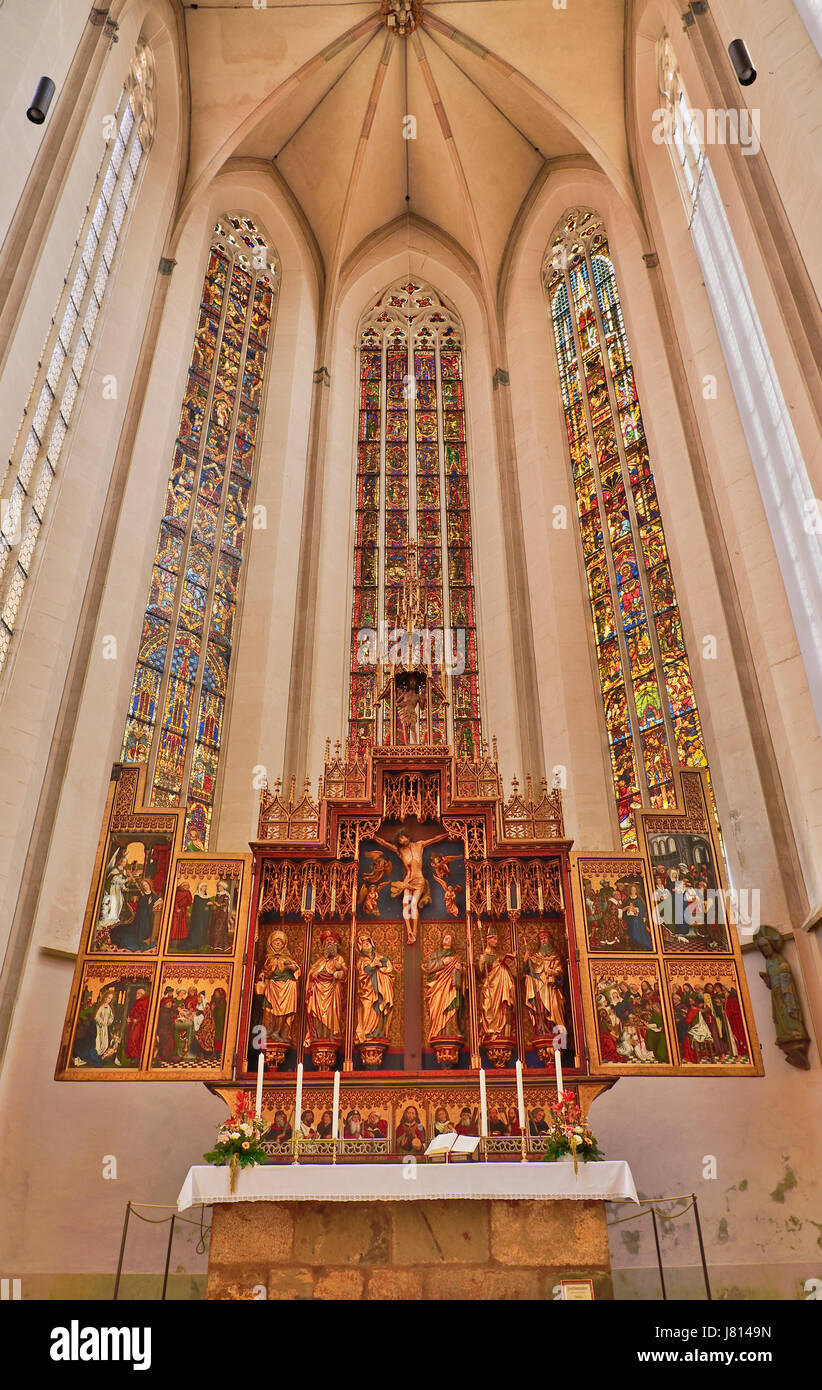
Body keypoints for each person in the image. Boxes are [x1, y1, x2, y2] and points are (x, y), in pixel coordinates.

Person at [373, 825, 450, 944]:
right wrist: (373, 836)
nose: (402, 840)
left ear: (406, 836)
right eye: (400, 840)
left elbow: (435, 839)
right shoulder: (400, 851)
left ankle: (414, 932)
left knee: (413, 904)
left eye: (403, 837)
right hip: (407, 882)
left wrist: (448, 833)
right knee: (405, 904)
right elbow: (385, 844)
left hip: (419, 881)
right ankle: (409, 931)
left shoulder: (419, 845)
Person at [423, 931, 465, 1043]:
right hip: (438, 987)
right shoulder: (436, 955)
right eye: (445, 938)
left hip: (451, 986)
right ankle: (437, 1031)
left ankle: (454, 1030)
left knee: (452, 1005)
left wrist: (460, 969)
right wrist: (443, 962)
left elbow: (464, 970)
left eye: (449, 938)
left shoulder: (456, 957)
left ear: (452, 942)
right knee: (438, 1007)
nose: (447, 940)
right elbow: (429, 968)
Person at [355, 930, 395, 1043]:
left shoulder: (381, 957)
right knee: (368, 1009)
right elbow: (362, 972)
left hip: (381, 990)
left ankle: (379, 1032)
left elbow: (388, 968)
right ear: (360, 947)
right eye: (363, 943)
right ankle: (367, 1033)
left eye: (367, 941)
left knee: (381, 1009)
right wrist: (372, 965)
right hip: (368, 991)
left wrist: (380, 967)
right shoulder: (361, 961)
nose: (366, 943)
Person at [523, 930, 566, 1035]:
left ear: (550, 940)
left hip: (552, 989)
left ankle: (556, 1032)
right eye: (541, 939)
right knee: (541, 1010)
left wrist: (554, 972)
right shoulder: (536, 957)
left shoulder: (556, 956)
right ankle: (542, 1031)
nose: (543, 941)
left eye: (545, 938)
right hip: (539, 989)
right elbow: (527, 972)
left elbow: (561, 973)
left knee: (555, 1007)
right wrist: (525, 961)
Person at [477, 929, 516, 1042]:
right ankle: (490, 1029)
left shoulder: (500, 955)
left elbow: (513, 972)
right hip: (490, 985)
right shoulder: (483, 955)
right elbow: (479, 975)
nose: (496, 941)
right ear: (488, 940)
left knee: (503, 1005)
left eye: (497, 938)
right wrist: (481, 963)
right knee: (488, 1004)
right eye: (494, 938)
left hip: (502, 985)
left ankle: (501, 1030)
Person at [123, 987, 149, 1063]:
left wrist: (138, 1020)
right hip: (134, 1024)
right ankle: (133, 1056)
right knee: (131, 1038)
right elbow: (133, 1012)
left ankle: (135, 1056)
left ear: (142, 994)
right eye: (136, 993)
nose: (136, 995)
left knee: (133, 1038)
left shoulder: (145, 1002)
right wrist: (130, 1019)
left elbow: (145, 1014)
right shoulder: (137, 1002)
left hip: (140, 1025)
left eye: (138, 993)